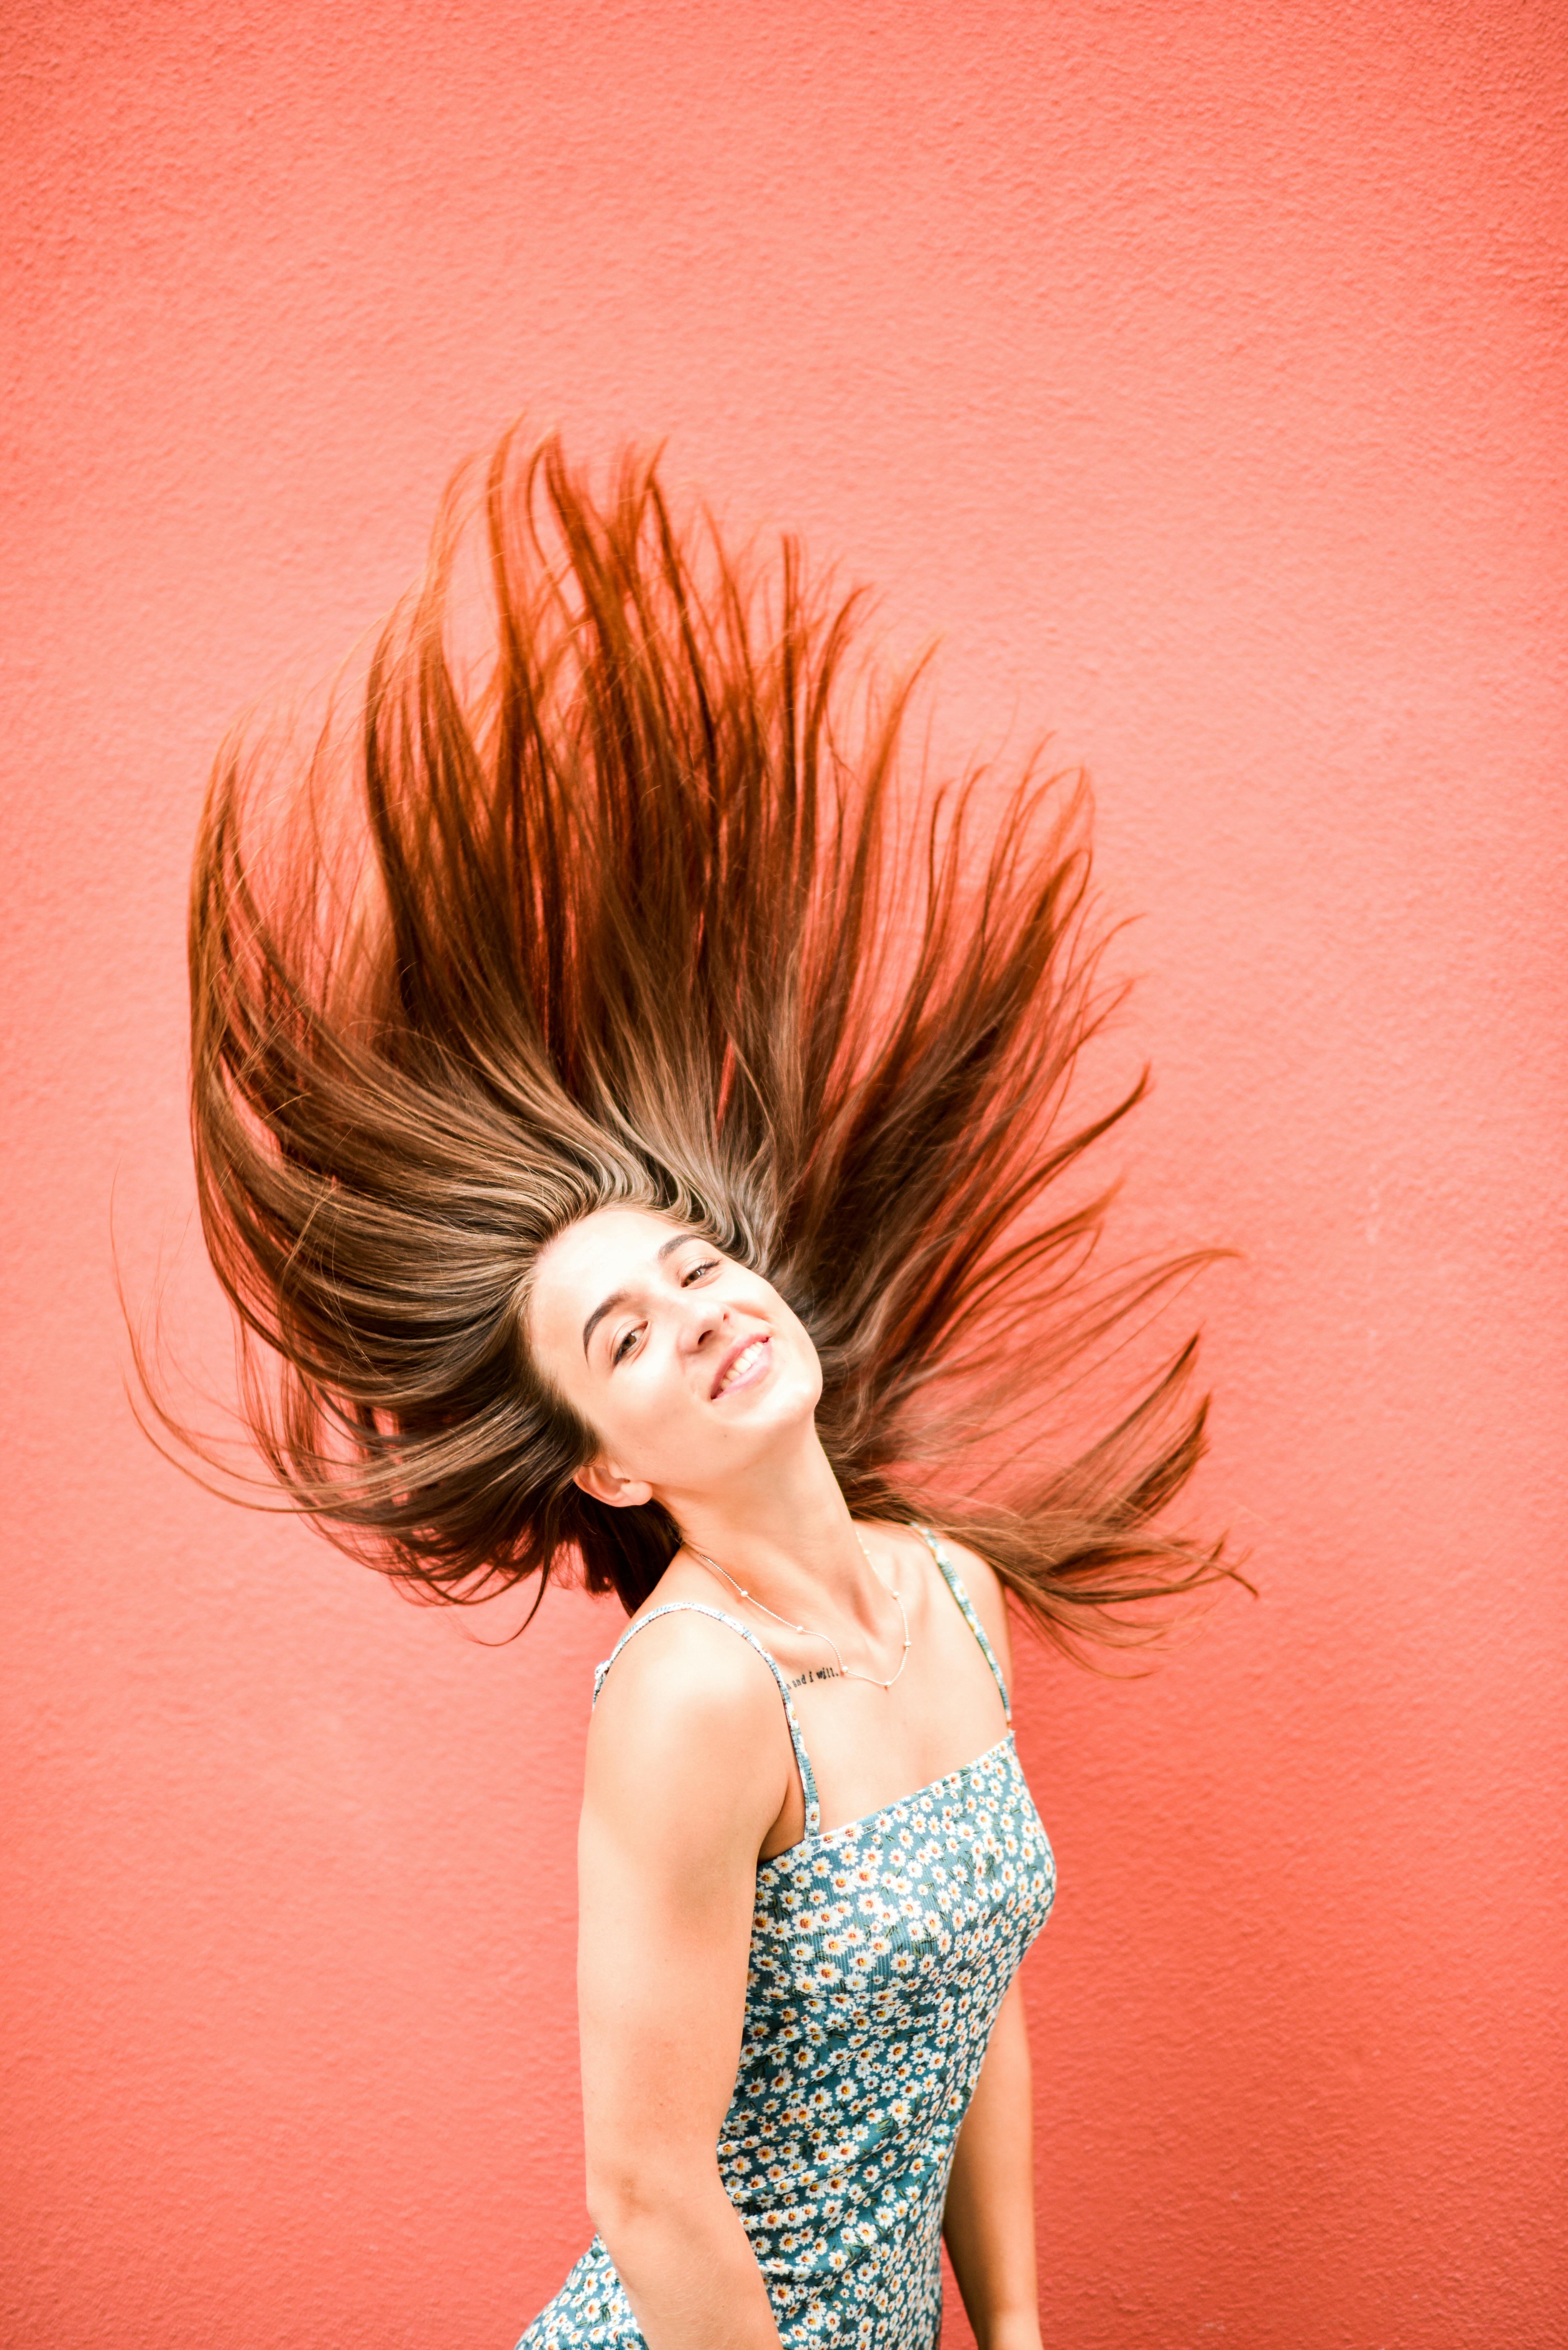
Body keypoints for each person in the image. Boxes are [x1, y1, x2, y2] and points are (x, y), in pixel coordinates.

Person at [157, 425, 1241, 2350]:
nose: (696, 1311)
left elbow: (976, 2002)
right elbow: (650, 2194)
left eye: (690, 1266)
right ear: (606, 1466)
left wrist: (1016, 2332)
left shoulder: (952, 1591)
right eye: (625, 1340)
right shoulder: (693, 1697)